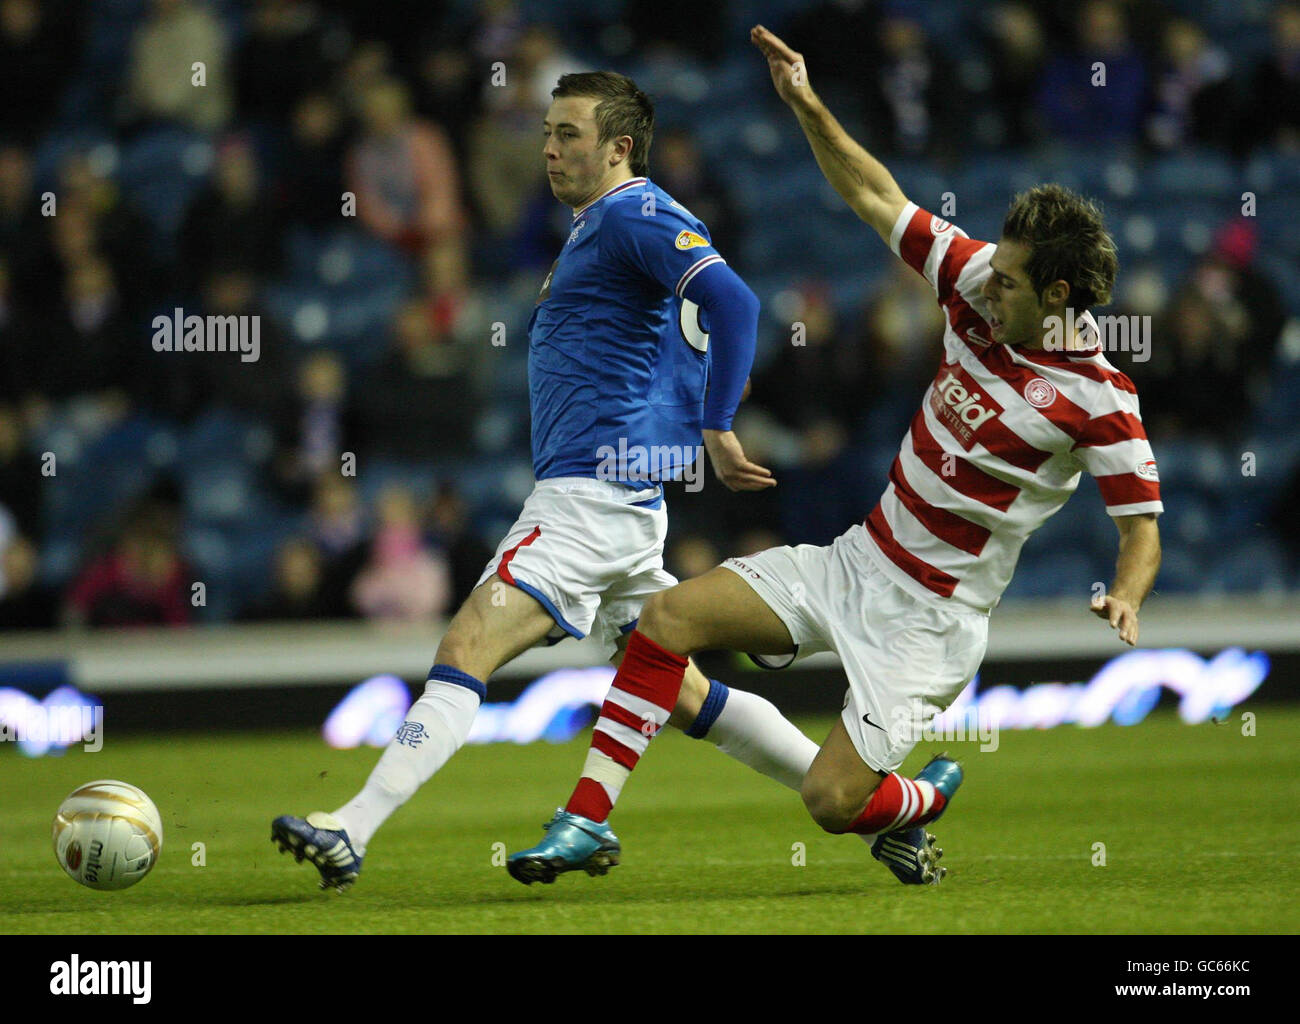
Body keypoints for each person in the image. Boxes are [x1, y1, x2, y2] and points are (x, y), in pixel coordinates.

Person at [508, 26, 1163, 887]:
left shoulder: (1099, 399)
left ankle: (920, 800)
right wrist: (807, 102)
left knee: (828, 801)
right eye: (994, 266)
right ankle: (584, 821)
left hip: (929, 623)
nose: (986, 281)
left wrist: (1125, 592)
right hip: (855, 561)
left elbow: (1141, 525)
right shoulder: (975, 282)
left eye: (1010, 279)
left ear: (1060, 296)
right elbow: (874, 192)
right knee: (665, 623)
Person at [272, 70, 821, 891]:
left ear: (619, 148)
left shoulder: (635, 211)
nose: (551, 148)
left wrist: (715, 426)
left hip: (587, 499)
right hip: (622, 502)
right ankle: (875, 806)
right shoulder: (601, 224)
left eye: (569, 134)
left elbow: (736, 304)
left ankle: (350, 827)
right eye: (547, 133)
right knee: (684, 693)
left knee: (467, 647)